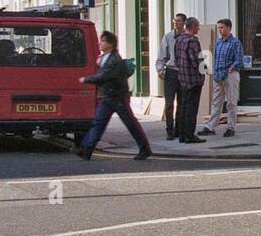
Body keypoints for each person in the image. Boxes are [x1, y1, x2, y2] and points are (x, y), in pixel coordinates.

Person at [75, 31, 152, 161]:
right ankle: (85, 150)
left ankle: (145, 149)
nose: (100, 43)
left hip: (118, 97)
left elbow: (104, 76)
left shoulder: (115, 60)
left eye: (103, 41)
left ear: (110, 44)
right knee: (98, 124)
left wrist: (87, 79)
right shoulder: (105, 57)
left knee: (131, 124)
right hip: (107, 97)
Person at [198, 18, 243, 137]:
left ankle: (231, 127)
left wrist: (231, 69)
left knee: (231, 102)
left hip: (230, 75)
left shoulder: (235, 42)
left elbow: (238, 59)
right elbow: (216, 57)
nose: (220, 30)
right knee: (216, 101)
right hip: (218, 75)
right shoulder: (218, 42)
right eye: (218, 28)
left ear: (228, 28)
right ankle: (210, 126)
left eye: (222, 27)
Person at [175, 17, 205, 144]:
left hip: (182, 78)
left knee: (183, 107)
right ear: (193, 26)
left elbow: (176, 59)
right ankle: (190, 135)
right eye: (198, 26)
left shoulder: (179, 39)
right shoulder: (193, 41)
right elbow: (196, 61)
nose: (199, 28)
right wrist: (204, 71)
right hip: (193, 80)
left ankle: (182, 134)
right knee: (192, 108)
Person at [155, 12, 185, 140]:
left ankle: (178, 129)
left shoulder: (186, 37)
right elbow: (162, 54)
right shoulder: (168, 37)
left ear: (184, 23)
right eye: (174, 21)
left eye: (178, 21)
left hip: (183, 72)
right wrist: (160, 69)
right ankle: (169, 131)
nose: (176, 23)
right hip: (171, 71)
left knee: (182, 103)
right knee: (169, 103)